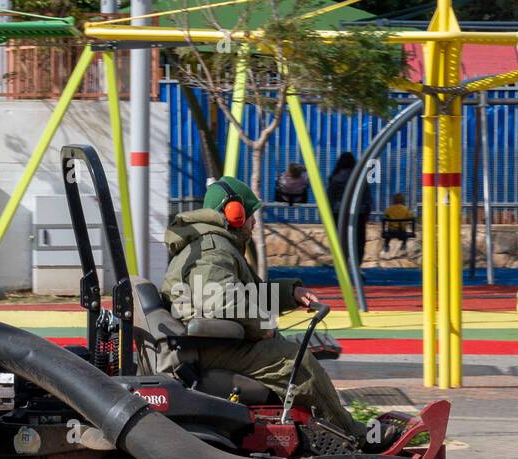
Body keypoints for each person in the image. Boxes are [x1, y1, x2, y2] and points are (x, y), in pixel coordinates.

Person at [160, 175, 366, 441]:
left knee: (293, 352)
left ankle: (318, 431)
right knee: (296, 364)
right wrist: (261, 324)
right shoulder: (213, 249)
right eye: (250, 213)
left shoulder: (218, 245)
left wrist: (291, 293)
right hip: (207, 346)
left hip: (209, 342)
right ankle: (351, 438)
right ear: (233, 213)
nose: (254, 221)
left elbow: (246, 293)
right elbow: (221, 300)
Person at [326, 151, 368, 266]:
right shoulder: (359, 177)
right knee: (358, 241)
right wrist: (366, 212)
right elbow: (366, 196)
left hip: (339, 213)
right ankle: (356, 266)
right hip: (358, 212)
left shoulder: (335, 178)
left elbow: (330, 197)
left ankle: (342, 266)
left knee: (341, 240)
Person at [381, 193, 416, 257]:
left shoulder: (390, 209)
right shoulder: (405, 209)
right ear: (403, 200)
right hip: (402, 232)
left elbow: (386, 214)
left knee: (388, 236)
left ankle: (386, 244)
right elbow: (411, 217)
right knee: (405, 234)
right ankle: (403, 244)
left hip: (391, 231)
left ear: (394, 200)